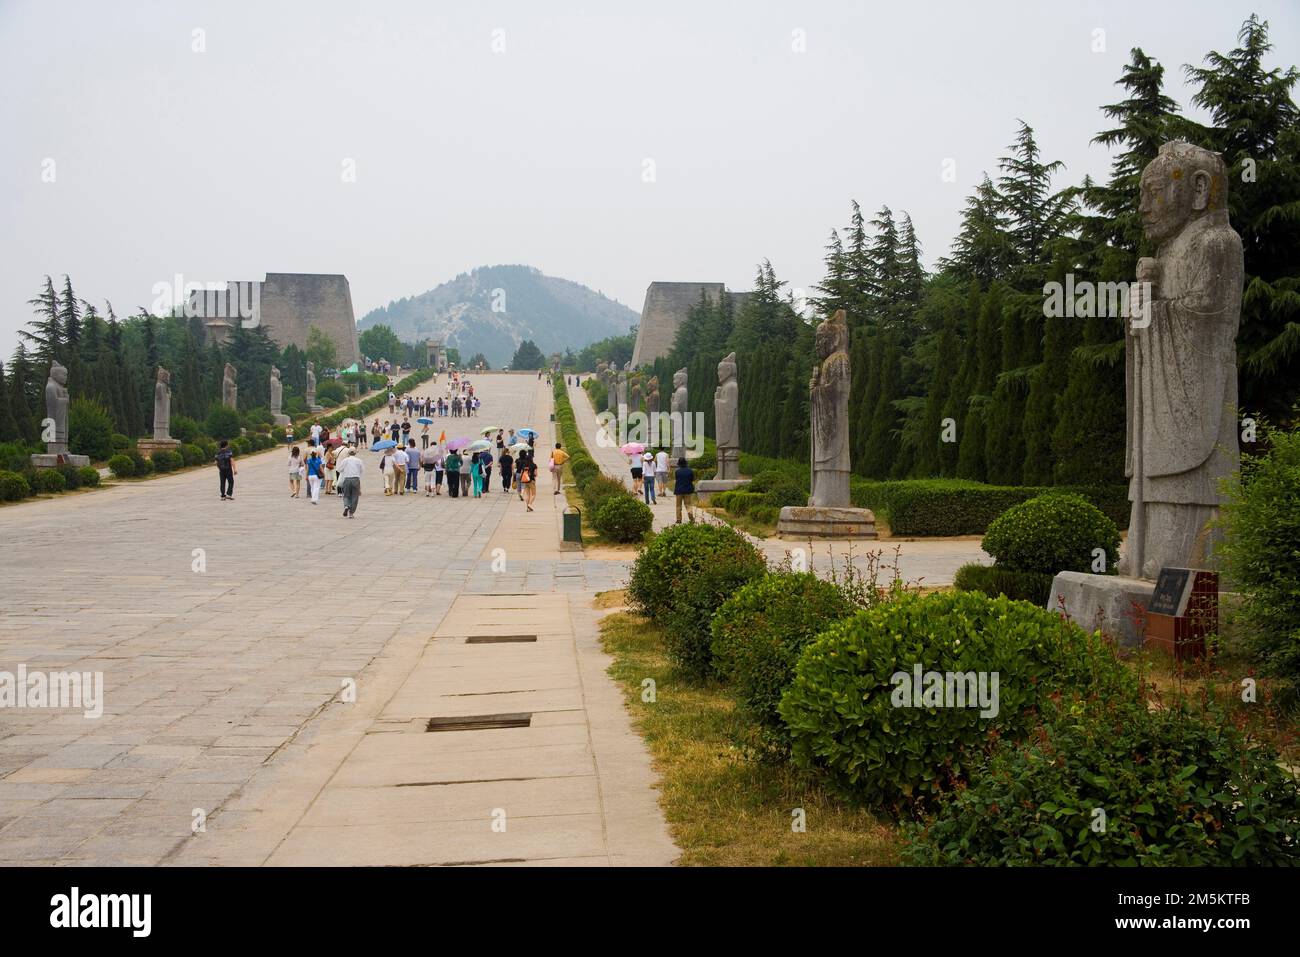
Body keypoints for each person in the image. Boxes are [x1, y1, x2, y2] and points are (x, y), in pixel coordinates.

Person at [338, 447, 364, 517]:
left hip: (347, 479)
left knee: (346, 494)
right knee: (355, 496)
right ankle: (351, 513)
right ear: (355, 453)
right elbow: (361, 470)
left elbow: (339, 469)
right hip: (355, 479)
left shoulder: (345, 460)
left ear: (348, 453)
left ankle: (346, 506)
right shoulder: (359, 460)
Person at [674, 457, 695, 523]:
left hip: (679, 490)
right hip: (688, 490)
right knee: (688, 505)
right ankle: (691, 517)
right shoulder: (690, 471)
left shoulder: (677, 471)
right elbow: (692, 479)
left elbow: (677, 479)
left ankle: (679, 519)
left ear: (679, 464)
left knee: (678, 505)